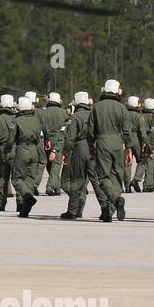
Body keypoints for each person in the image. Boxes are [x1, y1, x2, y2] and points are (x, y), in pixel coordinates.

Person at [86, 79, 129, 222]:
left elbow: (91, 130)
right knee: (116, 175)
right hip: (118, 141)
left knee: (103, 177)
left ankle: (116, 200)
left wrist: (91, 145)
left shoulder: (96, 107)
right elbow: (127, 130)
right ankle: (110, 211)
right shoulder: (122, 108)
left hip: (102, 141)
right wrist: (128, 148)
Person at [60, 91, 93, 220]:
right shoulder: (93, 115)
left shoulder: (74, 118)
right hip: (92, 150)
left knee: (73, 182)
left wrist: (65, 154)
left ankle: (74, 208)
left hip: (77, 150)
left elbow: (69, 139)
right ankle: (107, 207)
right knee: (94, 181)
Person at [11, 96, 46, 217]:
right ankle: (25, 210)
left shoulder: (16, 121)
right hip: (34, 150)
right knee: (30, 179)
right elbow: (39, 137)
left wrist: (6, 150)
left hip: (22, 150)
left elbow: (11, 139)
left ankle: (27, 196)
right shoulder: (36, 121)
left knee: (16, 179)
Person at [0, 93, 18, 211]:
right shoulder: (17, 118)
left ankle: (1, 204)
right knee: (17, 178)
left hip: (2, 150)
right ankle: (21, 203)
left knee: (1, 178)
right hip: (16, 150)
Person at [41, 91, 67, 196]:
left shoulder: (44, 112)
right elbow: (65, 130)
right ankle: (51, 186)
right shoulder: (63, 113)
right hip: (58, 141)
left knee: (49, 165)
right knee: (56, 166)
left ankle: (57, 187)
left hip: (46, 141)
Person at [123, 95, 145, 194]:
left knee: (127, 162)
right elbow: (142, 131)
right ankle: (136, 179)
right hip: (136, 138)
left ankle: (127, 187)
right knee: (142, 160)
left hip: (126, 138)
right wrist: (145, 142)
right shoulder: (139, 116)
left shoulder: (124, 114)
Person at [140, 97, 154, 191]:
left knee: (143, 161)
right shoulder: (153, 116)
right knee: (151, 162)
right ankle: (149, 184)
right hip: (151, 139)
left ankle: (143, 182)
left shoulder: (141, 115)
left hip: (142, 139)